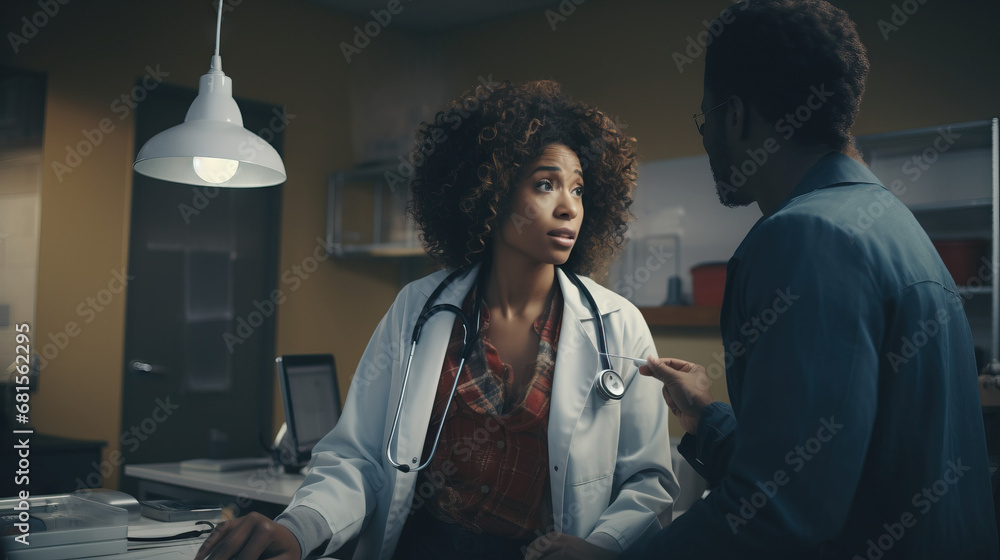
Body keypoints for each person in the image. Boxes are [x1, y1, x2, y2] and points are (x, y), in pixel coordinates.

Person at [195, 80, 678, 560]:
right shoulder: (418, 308)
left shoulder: (618, 324)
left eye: (578, 189)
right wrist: (298, 529)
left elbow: (647, 481)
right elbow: (357, 457)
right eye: (545, 184)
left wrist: (602, 546)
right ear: (492, 190)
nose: (569, 206)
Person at [623, 1, 1000, 559]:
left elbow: (778, 514)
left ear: (734, 116)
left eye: (706, 120)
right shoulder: (894, 228)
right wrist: (708, 418)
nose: (708, 139)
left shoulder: (804, 240)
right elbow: (821, 470)